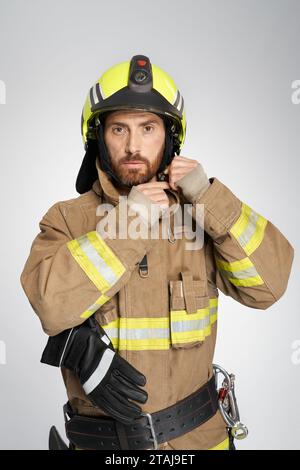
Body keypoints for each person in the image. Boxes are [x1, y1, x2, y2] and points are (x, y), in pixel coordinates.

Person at [20, 54, 294, 450]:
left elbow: (269, 286)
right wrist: (131, 222)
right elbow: (50, 304)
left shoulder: (201, 216)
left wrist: (210, 197)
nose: (133, 146)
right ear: (98, 136)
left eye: (148, 128)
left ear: (171, 138)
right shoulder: (66, 220)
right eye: (119, 129)